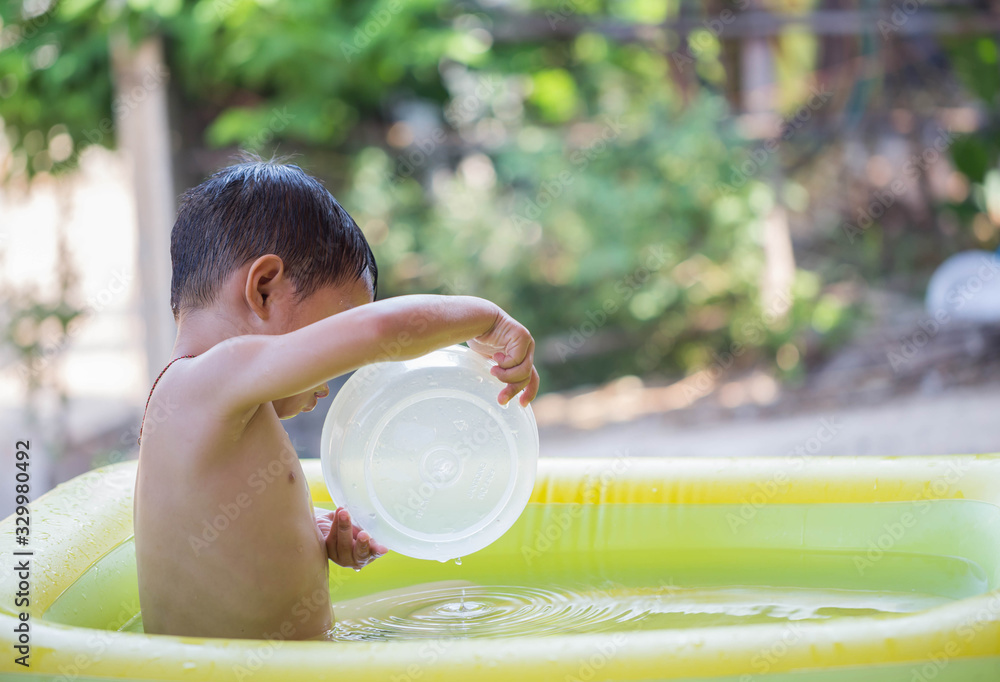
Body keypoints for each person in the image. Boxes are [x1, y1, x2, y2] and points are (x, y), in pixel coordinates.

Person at [133, 158, 539, 641]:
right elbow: (383, 330)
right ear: (264, 289)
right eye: (331, 336)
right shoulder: (208, 380)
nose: (326, 380)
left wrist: (309, 536)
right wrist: (487, 319)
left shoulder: (214, 404)